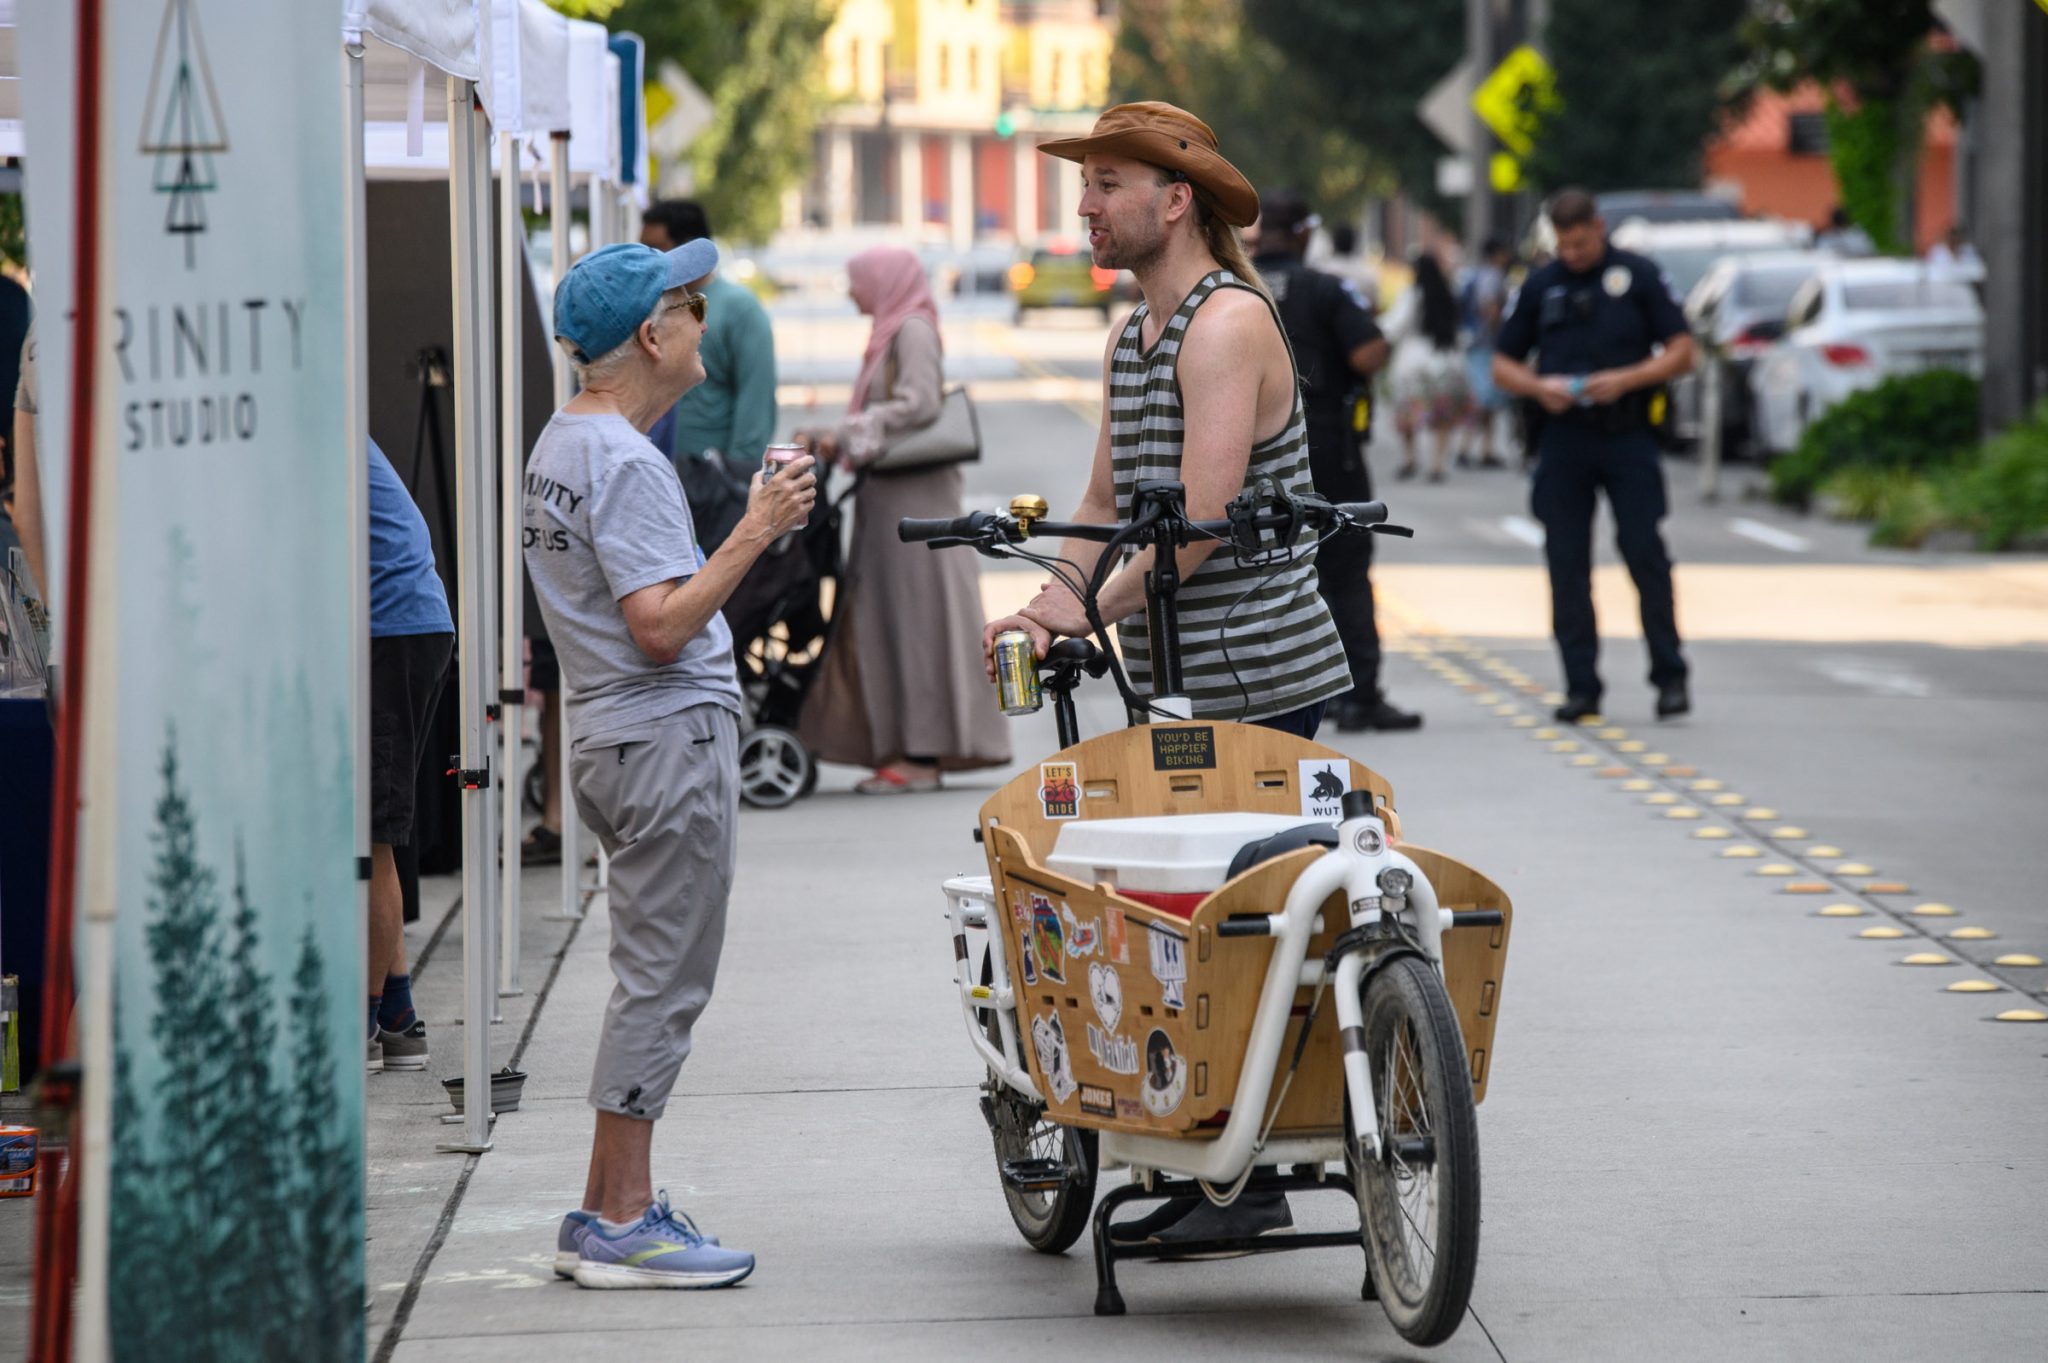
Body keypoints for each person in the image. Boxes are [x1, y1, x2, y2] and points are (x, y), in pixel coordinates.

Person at [979, 102, 1353, 1250]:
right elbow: (1101, 506)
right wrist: (1048, 606)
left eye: (1102, 184)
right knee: (1172, 925)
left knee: (1247, 926)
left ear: (1173, 197)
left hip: (1257, 675)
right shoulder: (1134, 333)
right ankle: (1205, 1160)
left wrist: (1085, 604)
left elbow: (1195, 524)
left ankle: (1251, 1181)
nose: (1082, 206)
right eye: (1083, 184)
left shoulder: (1223, 324)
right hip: (1176, 679)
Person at [524, 237, 816, 1287]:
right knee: (661, 984)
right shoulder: (625, 462)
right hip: (660, 734)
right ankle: (628, 1218)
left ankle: (605, 1208)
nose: (706, 315)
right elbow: (657, 625)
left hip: (614, 735)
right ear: (653, 336)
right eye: (690, 303)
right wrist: (754, 531)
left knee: (644, 974)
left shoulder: (563, 444)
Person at [794, 246, 1010, 793]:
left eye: (855, 280)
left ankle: (922, 753)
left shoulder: (912, 330)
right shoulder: (893, 331)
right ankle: (905, 744)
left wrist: (844, 434)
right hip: (894, 499)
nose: (850, 292)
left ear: (883, 280)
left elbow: (919, 405)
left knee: (918, 625)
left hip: (919, 503)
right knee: (892, 621)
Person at [1491, 187, 1694, 723]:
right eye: (1565, 244)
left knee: (1644, 553)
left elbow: (1682, 351)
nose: (1573, 254)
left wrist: (1627, 379)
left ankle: (1670, 675)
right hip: (1563, 439)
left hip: (1627, 434)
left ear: (1598, 229)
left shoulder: (1639, 276)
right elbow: (1502, 364)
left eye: (1581, 243)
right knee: (1566, 563)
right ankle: (1581, 686)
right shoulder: (1541, 284)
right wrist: (1540, 388)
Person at [1250, 189, 1420, 734]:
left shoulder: (1232, 289)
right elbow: (1368, 353)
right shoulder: (1325, 288)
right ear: (1302, 233)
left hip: (1254, 459)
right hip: (1327, 450)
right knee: (1344, 571)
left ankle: (1276, 695)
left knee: (1268, 576)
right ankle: (1358, 695)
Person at [364, 438, 454, 1073]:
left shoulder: (304, 413)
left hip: (390, 626)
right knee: (371, 833)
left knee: (364, 836)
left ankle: (360, 1028)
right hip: (396, 624)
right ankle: (395, 1016)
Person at [640, 199, 778, 552]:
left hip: (713, 488)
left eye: (657, 248)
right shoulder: (651, 306)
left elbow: (755, 403)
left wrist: (732, 484)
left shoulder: (740, 309)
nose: (647, 258)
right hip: (660, 480)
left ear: (687, 248)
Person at [1381, 251, 1472, 483]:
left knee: (1409, 412)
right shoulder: (1448, 294)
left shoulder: (1412, 295)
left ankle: (1410, 459)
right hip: (1446, 361)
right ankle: (1437, 464)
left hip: (1413, 362)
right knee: (1441, 416)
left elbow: (1395, 325)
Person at [1459, 237, 1514, 469]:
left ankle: (1485, 449)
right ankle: (1467, 447)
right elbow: (1490, 307)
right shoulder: (1492, 276)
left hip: (1475, 342)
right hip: (1486, 344)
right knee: (1482, 399)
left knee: (1487, 401)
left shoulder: (1474, 274)